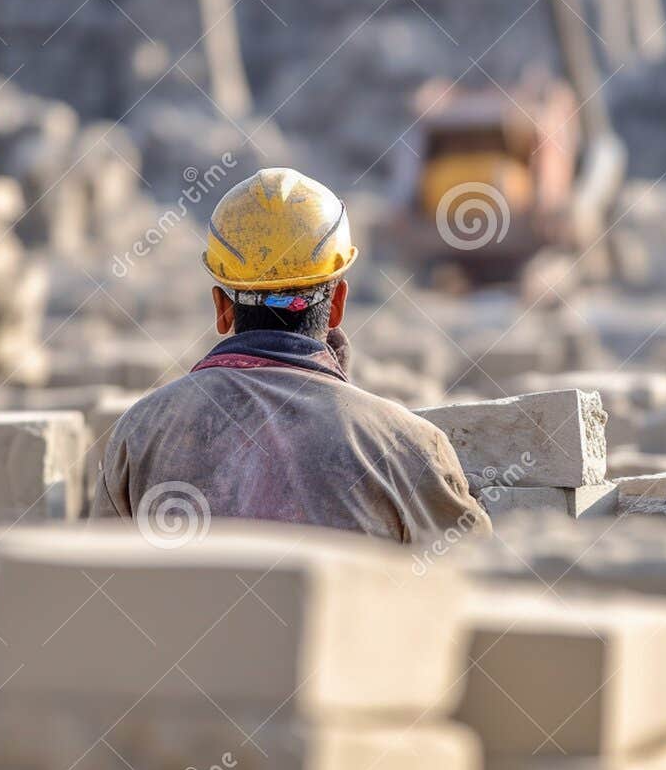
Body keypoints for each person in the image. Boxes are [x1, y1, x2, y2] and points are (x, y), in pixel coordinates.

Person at [93, 167, 490, 544]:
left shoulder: (140, 432)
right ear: (337, 306)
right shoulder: (407, 446)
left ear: (221, 308)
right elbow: (474, 584)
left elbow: (98, 586)